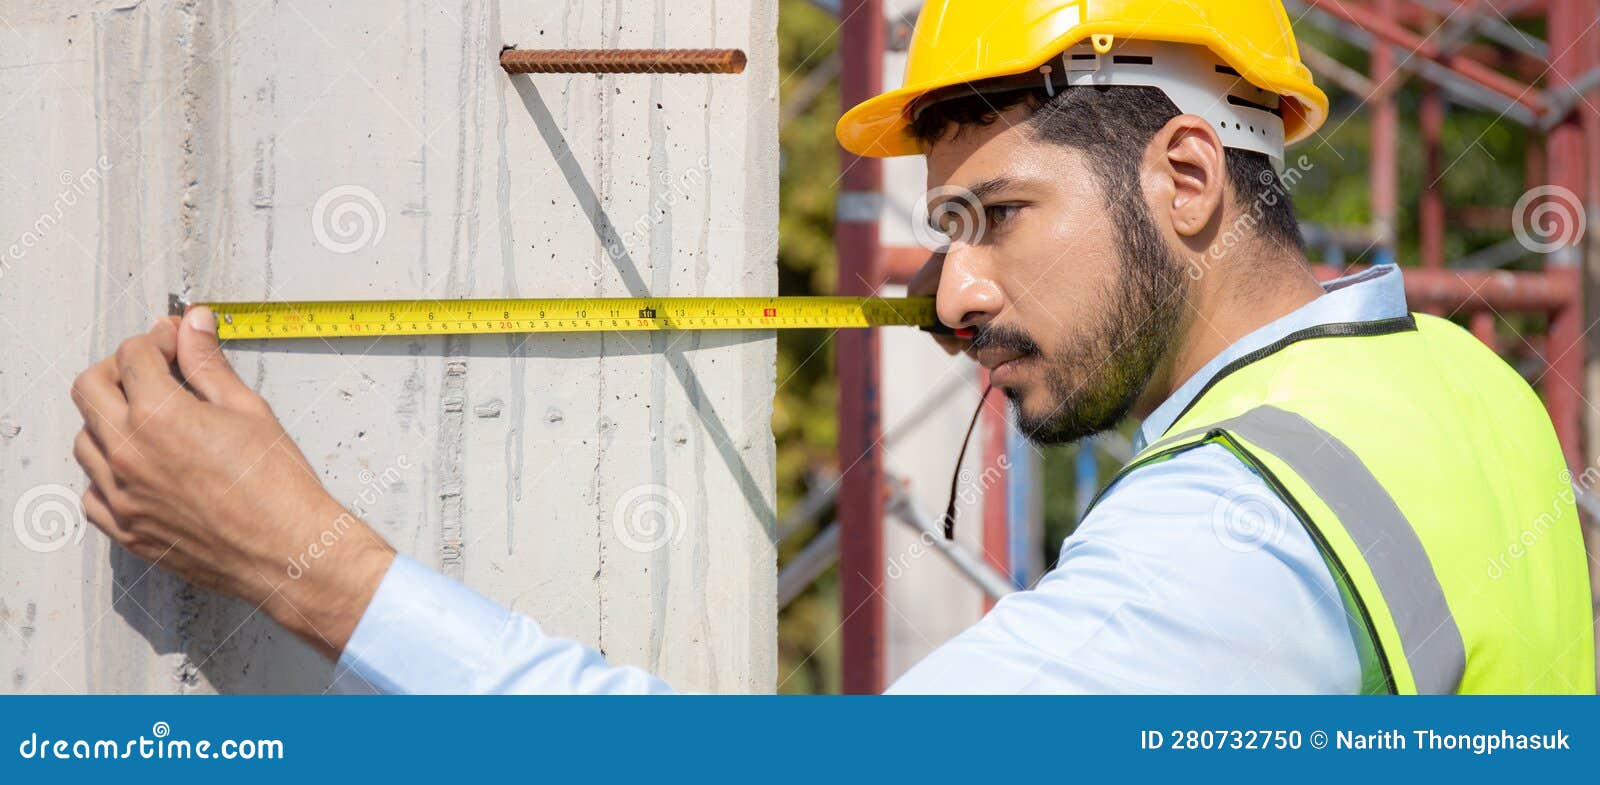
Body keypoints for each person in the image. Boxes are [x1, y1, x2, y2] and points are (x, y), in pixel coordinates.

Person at [70, 0, 1593, 693]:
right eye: (946, 228)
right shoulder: (1447, 375)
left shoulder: (1233, 538)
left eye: (998, 216)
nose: (953, 294)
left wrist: (306, 564)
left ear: (1185, 177)